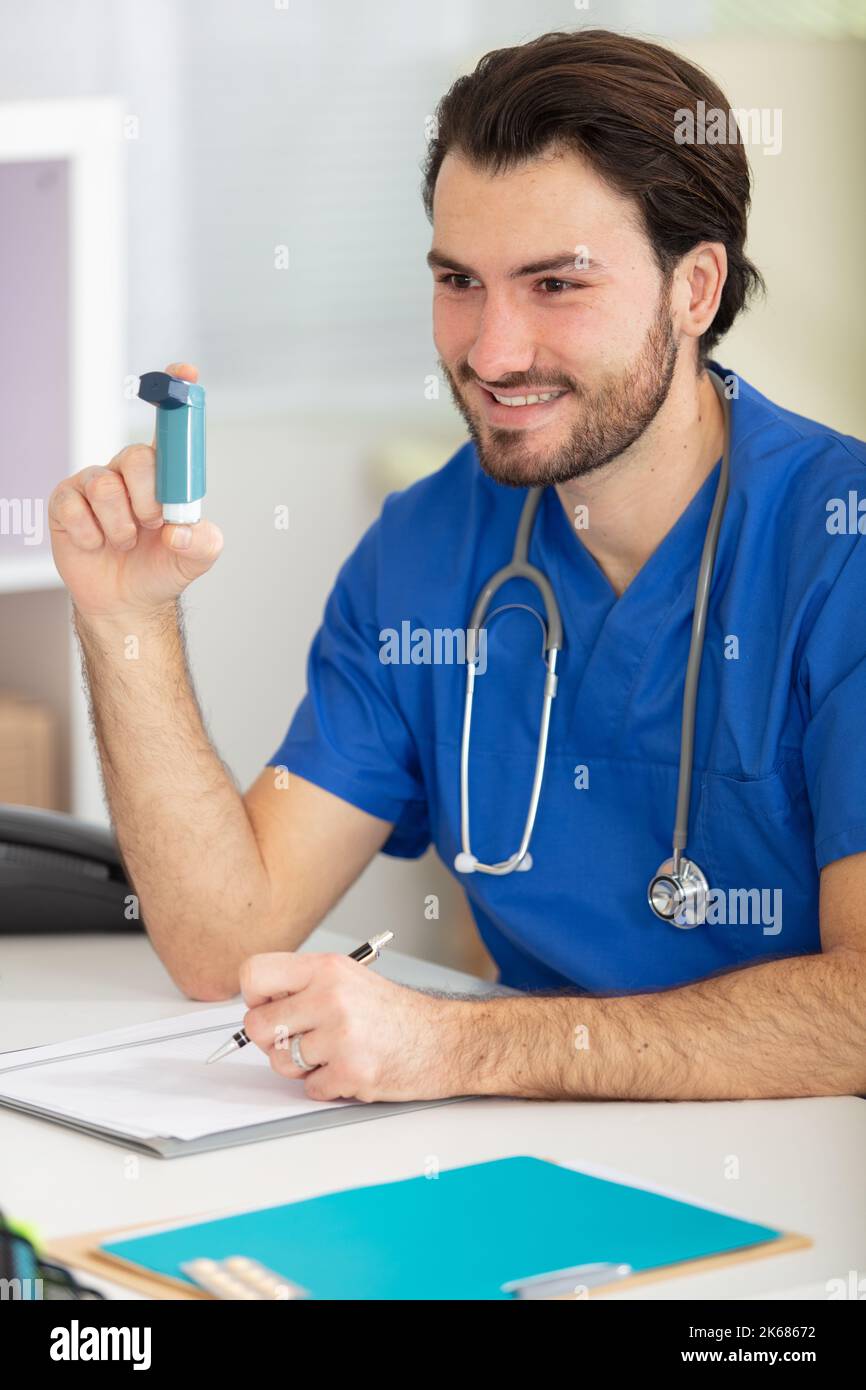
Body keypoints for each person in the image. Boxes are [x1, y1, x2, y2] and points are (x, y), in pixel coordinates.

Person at [49, 30, 866, 1103]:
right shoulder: (426, 552)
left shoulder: (833, 547)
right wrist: (127, 620)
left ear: (694, 287)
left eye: (553, 285)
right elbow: (221, 939)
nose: (488, 351)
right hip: (526, 1161)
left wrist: (457, 1045)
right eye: (458, 281)